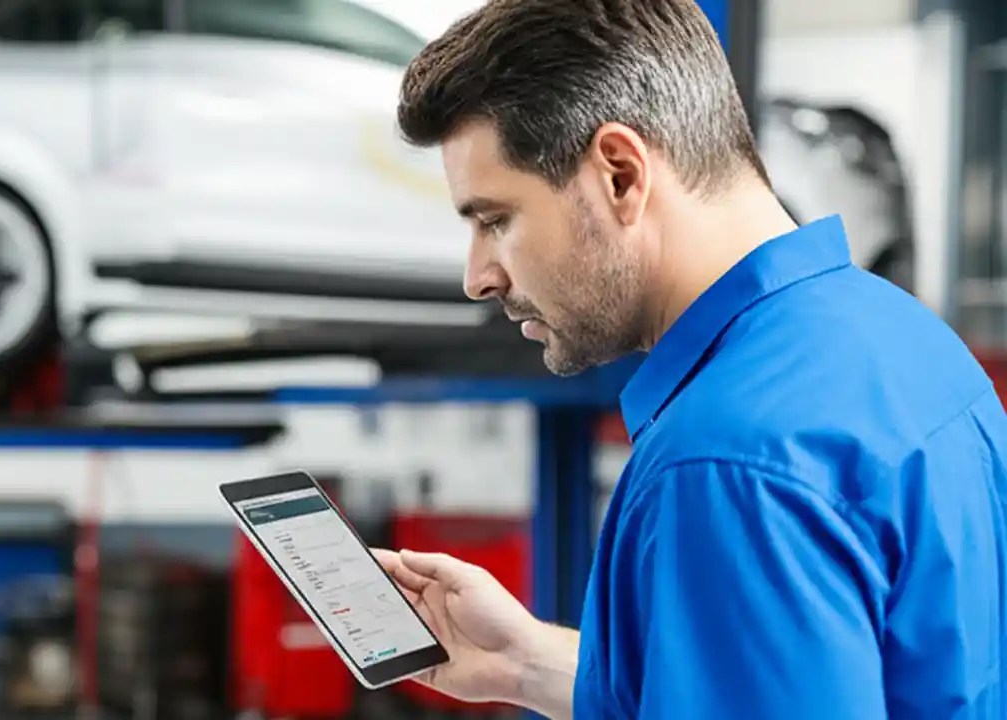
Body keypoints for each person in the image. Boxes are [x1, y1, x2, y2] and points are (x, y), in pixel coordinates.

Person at [373, 0, 1007, 718]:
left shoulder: (723, 458)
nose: (478, 276)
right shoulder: (899, 337)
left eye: (496, 220)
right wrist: (522, 663)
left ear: (618, 174)